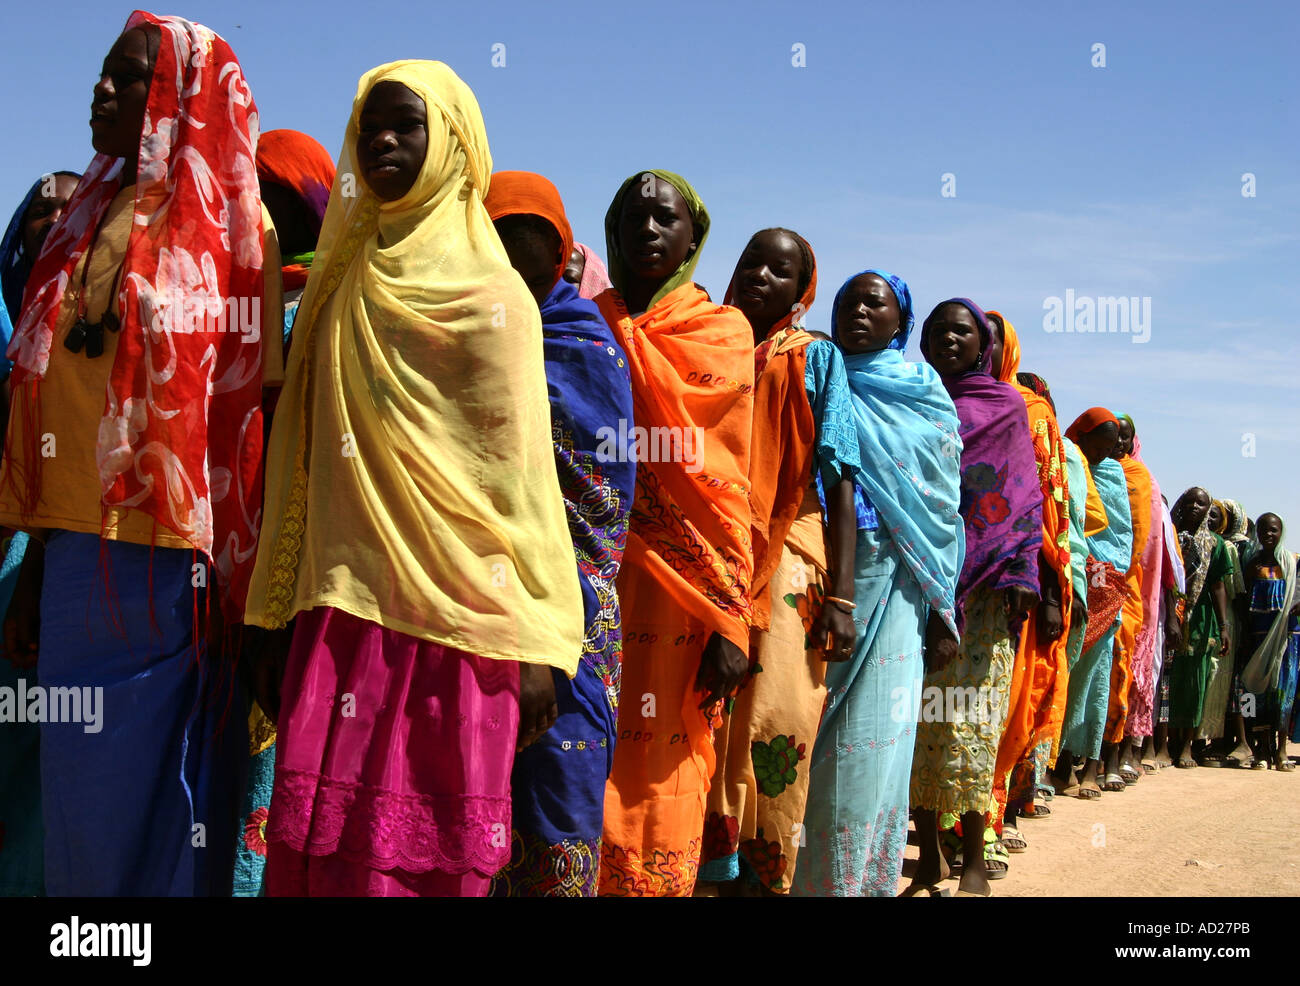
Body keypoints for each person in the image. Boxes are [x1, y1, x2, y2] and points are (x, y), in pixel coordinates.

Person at [244, 61, 585, 897]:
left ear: (454, 143)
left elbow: (522, 479)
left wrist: (541, 637)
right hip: (343, 611)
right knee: (329, 856)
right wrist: (275, 604)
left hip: (463, 625)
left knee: (426, 859)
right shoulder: (339, 281)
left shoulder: (492, 294)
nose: (383, 141)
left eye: (407, 124)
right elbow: (301, 452)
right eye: (370, 127)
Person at [0, 12, 280, 896]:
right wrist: (41, 568)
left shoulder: (239, 231)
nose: (103, 91)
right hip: (79, 555)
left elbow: (250, 410)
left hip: (171, 567)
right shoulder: (78, 221)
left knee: (170, 799)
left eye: (131, 79)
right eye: (103, 73)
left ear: (180, 100)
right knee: (82, 802)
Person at [593, 170, 754, 897]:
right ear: (614, 229)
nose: (650, 231)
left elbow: (731, 482)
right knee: (584, 748)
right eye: (636, 217)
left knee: (669, 755)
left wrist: (733, 621)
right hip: (591, 574)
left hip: (690, 593)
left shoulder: (723, 333)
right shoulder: (584, 321)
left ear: (696, 237)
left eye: (668, 219)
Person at [484, 171, 635, 895]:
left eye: (527, 240)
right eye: (494, 237)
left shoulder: (585, 344)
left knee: (560, 779)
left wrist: (543, 636)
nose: (510, 255)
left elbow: (599, 502)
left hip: (571, 605)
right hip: (475, 599)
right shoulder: (470, 335)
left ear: (561, 252)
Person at [697, 230, 861, 896]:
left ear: (802, 290)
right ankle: (707, 862)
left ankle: (763, 874)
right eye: (751, 264)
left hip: (792, 549)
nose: (762, 276)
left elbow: (842, 477)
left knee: (779, 714)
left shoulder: (816, 359)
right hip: (712, 545)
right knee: (712, 709)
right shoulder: (707, 342)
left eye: (781, 270)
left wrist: (843, 600)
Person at [795, 270, 961, 898]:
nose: (858, 311)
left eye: (874, 302)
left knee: (874, 741)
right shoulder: (815, 369)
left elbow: (941, 511)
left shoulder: (926, 396)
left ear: (901, 320)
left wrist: (944, 611)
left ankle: (856, 882)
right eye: (847, 302)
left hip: (898, 586)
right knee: (811, 724)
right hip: (819, 576)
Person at [230, 129, 337, 896]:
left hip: (298, 550)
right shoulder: (229, 295)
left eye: (278, 194)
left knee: (274, 749)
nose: (262, 211)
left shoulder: (333, 301)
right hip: (219, 550)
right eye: (251, 192)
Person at [911, 298, 1040, 898]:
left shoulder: (1005, 405)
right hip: (918, 580)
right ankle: (929, 850)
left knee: (972, 722)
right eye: (936, 332)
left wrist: (1021, 573)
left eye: (960, 331)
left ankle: (969, 859)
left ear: (983, 343)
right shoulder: (914, 397)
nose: (947, 340)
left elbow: (1022, 495)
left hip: (985, 592)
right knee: (918, 719)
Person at [0, 169, 81, 898]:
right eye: (39, 209)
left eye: (70, 205)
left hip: (48, 559)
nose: (52, 220)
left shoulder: (90, 327)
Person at [985, 312, 1071, 847]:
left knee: (1010, 697)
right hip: (951, 572)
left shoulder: (1031, 411)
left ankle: (992, 815)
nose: (979, 347)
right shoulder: (939, 399)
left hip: (1020, 575)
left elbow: (1051, 504)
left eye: (992, 340)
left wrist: (1053, 589)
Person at [1054, 409, 1131, 797]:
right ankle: (1057, 765)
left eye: (1109, 449)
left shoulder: (1113, 475)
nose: (1102, 456)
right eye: (1096, 447)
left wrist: (1106, 581)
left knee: (1096, 675)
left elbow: (1121, 536)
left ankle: (1086, 764)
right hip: (1076, 579)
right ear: (1079, 436)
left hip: (1106, 584)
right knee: (1066, 669)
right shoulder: (1065, 459)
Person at [1105, 413, 1162, 785]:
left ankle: (1117, 755)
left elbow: (1144, 540)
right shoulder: (1093, 470)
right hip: (1093, 577)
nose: (1120, 444)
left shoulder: (1140, 478)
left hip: (1128, 585)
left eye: (1126, 438)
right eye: (1115, 437)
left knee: (1122, 671)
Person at [1166, 487, 1233, 767]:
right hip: (1170, 612)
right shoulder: (1169, 536)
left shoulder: (1215, 544)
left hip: (1201, 618)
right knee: (1170, 681)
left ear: (1208, 510)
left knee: (1196, 683)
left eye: (1201, 503)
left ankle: (1188, 746)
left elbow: (1218, 586)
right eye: (1190, 501)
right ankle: (1164, 743)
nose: (1195, 506)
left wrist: (1224, 626)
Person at [1238, 513, 1299, 771]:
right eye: (1264, 531)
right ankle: (1262, 748)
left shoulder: (1292, 564)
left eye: (1273, 530)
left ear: (1281, 532)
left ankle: (1281, 750)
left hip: (1286, 642)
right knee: (1254, 696)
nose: (1268, 535)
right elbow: (1242, 602)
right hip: (1257, 640)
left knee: (1283, 695)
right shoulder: (1251, 565)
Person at [1198, 499, 1247, 752]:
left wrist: (1227, 626)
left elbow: (1233, 590)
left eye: (1217, 516)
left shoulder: (1227, 548)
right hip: (1205, 618)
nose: (1210, 519)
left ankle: (1215, 740)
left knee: (1219, 679)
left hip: (1223, 619)